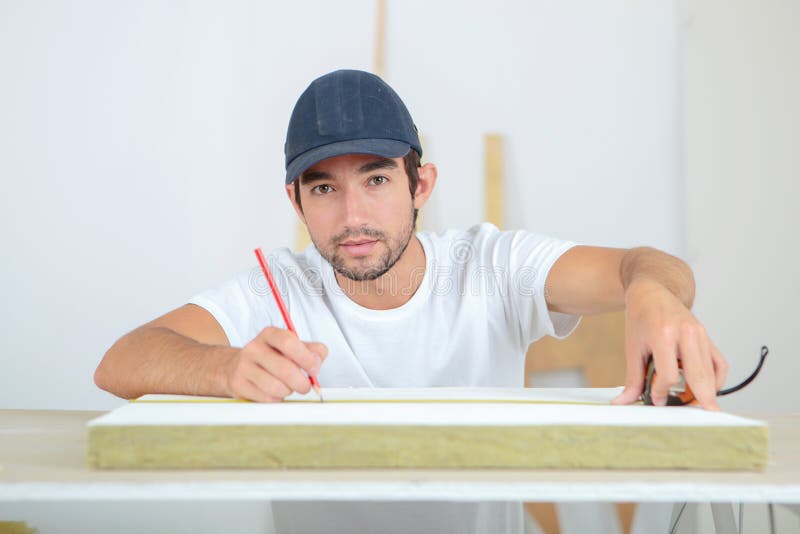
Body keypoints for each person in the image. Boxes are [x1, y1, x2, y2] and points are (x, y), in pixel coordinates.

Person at [95, 69, 728, 534]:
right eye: (324, 189)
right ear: (296, 202)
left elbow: (648, 268)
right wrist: (222, 368)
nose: (353, 216)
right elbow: (121, 361)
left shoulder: (491, 267)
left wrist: (649, 292)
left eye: (375, 179)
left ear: (419, 183)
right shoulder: (274, 289)